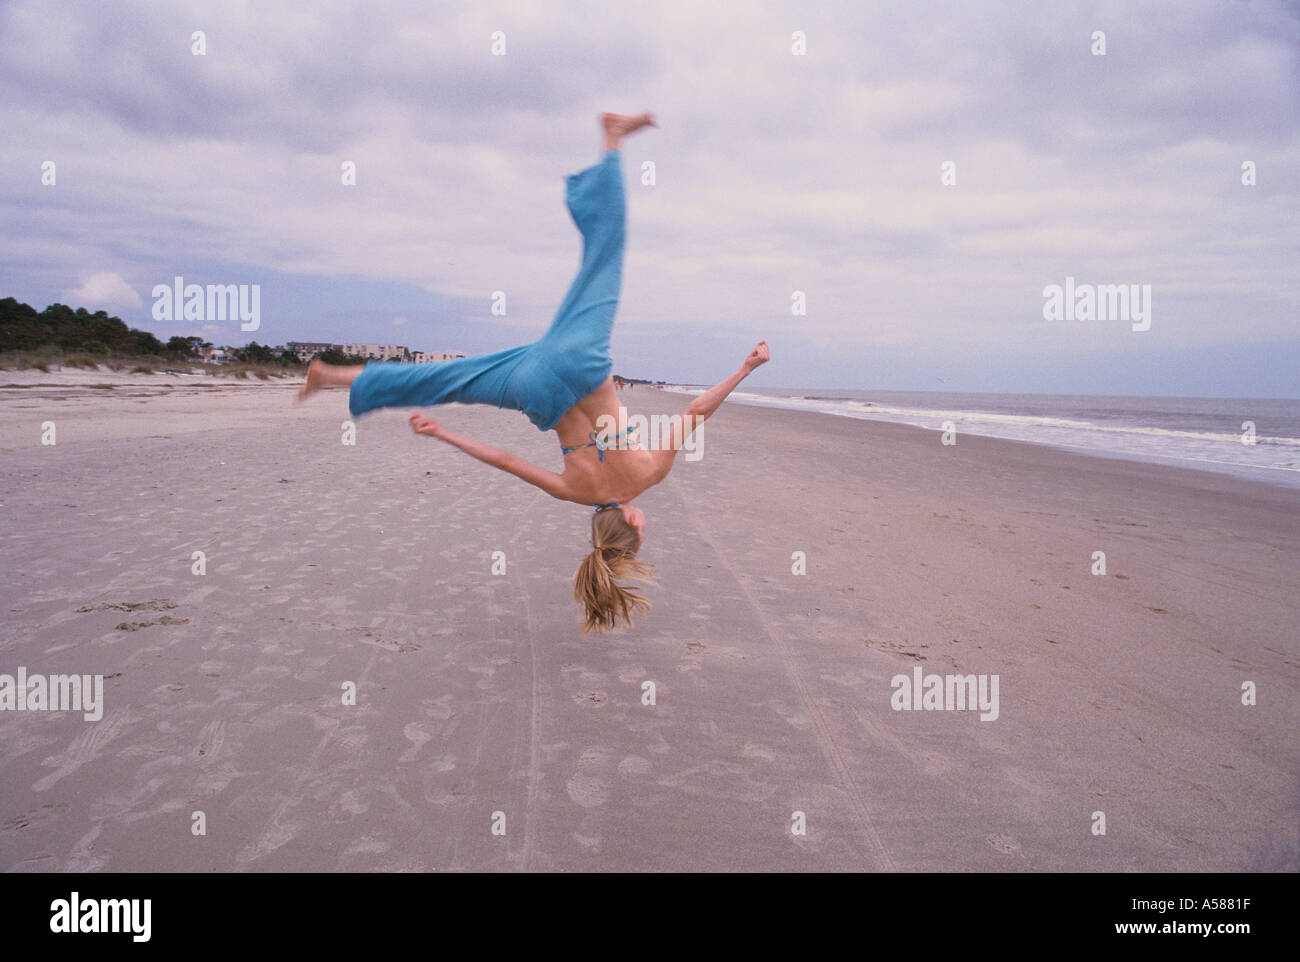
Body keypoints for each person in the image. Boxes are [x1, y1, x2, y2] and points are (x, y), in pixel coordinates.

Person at [297, 112, 770, 631]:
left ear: (634, 522)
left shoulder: (652, 471)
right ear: (596, 539)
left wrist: (745, 369)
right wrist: (441, 433)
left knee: (605, 262)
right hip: (537, 387)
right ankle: (332, 378)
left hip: (582, 364)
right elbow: (502, 459)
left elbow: (697, 409)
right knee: (447, 381)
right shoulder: (575, 490)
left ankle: (612, 141)